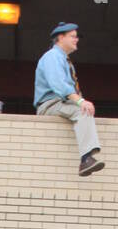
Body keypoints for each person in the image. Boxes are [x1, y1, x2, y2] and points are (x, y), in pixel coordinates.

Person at [34, 23, 104, 178]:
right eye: (73, 36)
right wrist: (80, 102)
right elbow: (59, 84)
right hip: (50, 105)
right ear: (60, 38)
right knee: (82, 110)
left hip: (61, 104)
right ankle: (86, 159)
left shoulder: (62, 59)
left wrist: (79, 101)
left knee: (83, 109)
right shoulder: (52, 57)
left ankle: (87, 158)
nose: (77, 39)